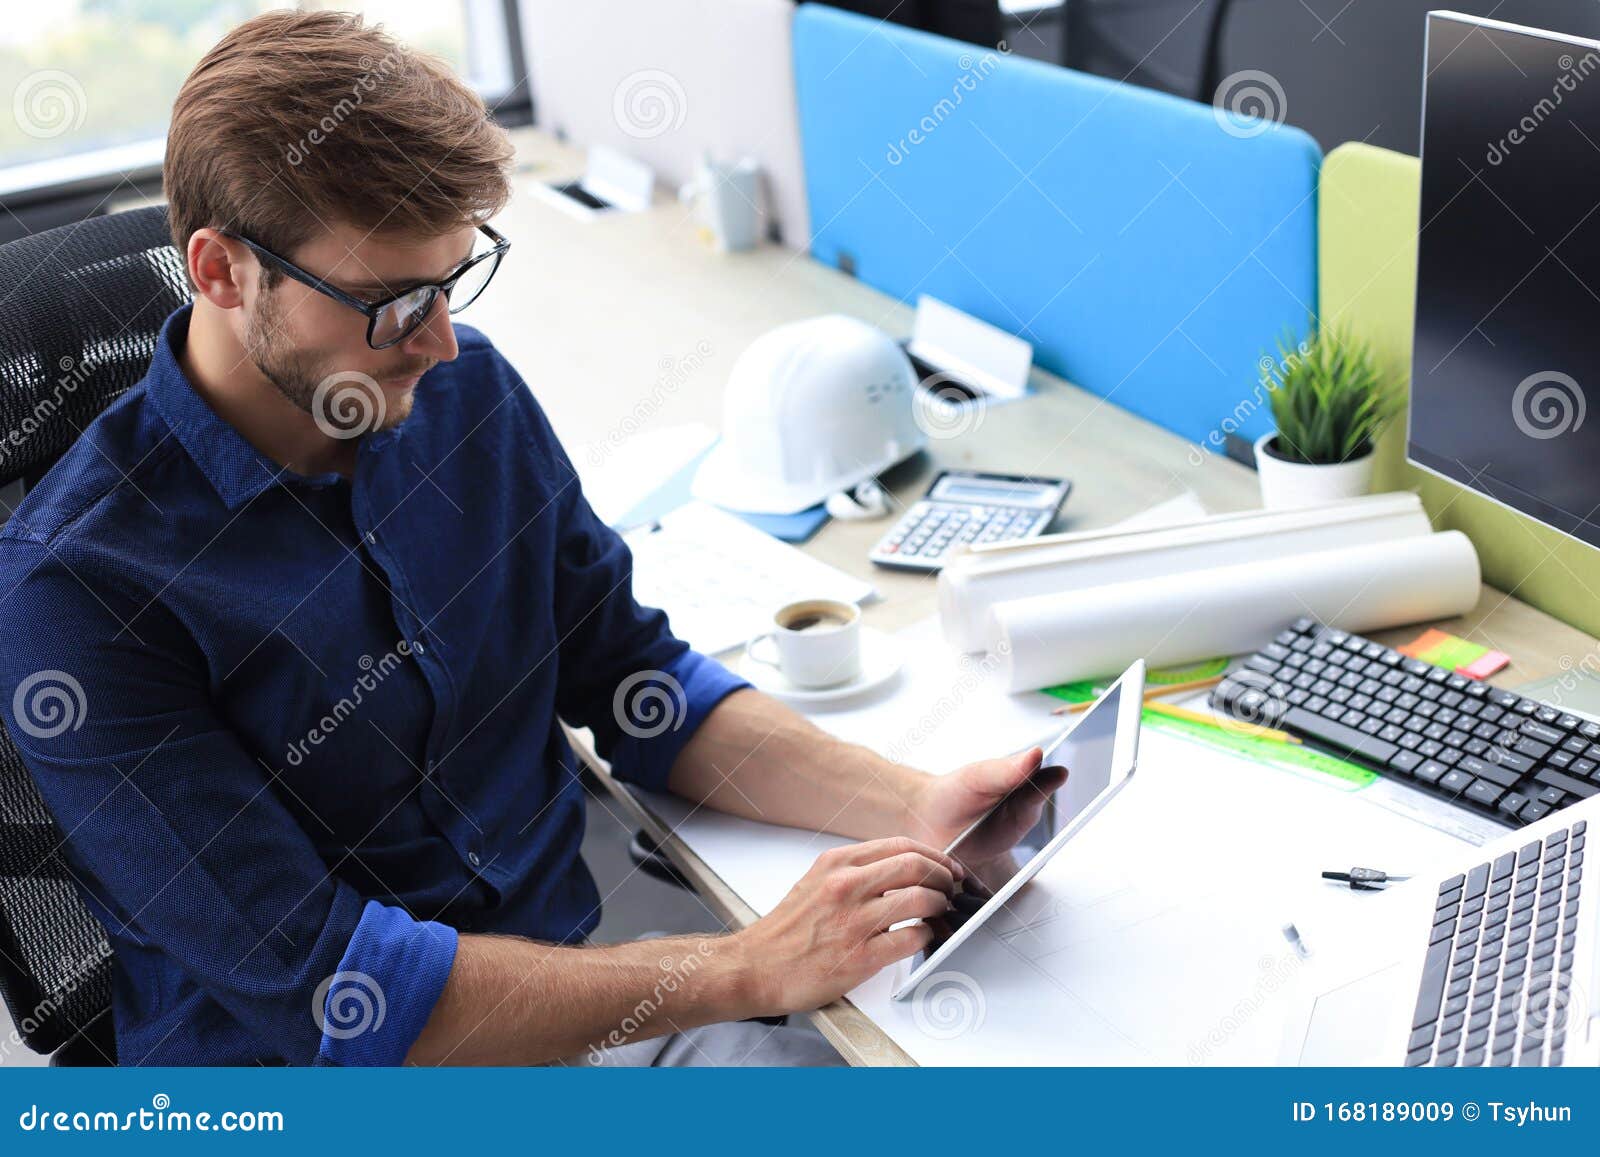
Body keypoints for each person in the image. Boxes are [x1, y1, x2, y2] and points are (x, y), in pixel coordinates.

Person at [0, 11, 1054, 1067]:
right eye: (389, 301)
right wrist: (747, 966)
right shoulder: (78, 590)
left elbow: (638, 684)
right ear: (222, 272)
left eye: (453, 279)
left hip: (576, 1001)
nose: (441, 338)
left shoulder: (462, 395)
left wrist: (914, 803)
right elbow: (342, 996)